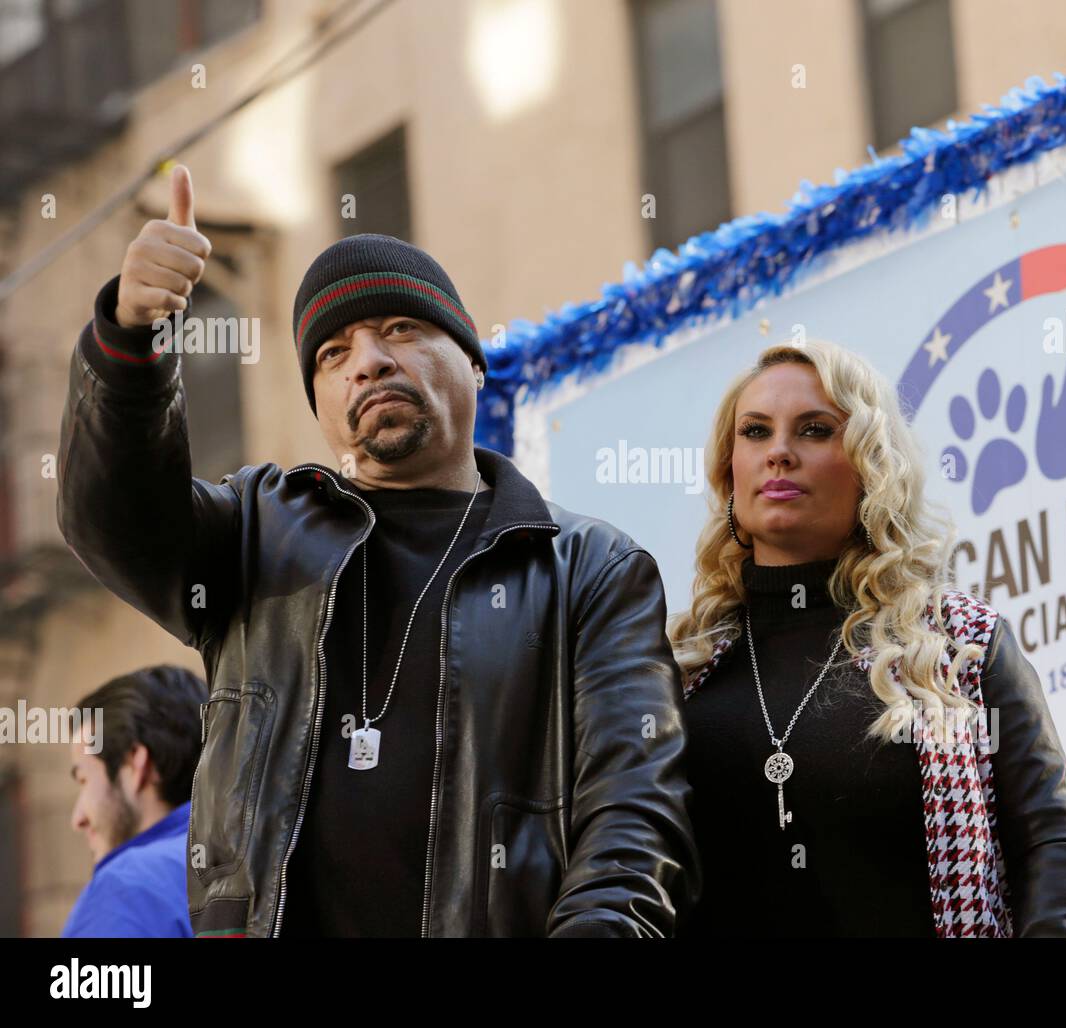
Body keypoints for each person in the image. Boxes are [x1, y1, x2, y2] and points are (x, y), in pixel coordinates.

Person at [56, 164, 699, 938]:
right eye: (333, 353)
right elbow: (113, 521)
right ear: (321, 401)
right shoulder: (257, 531)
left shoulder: (591, 570)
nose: (368, 360)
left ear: (471, 359)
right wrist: (132, 340)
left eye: (400, 330)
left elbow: (634, 825)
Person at [668, 338, 1066, 937]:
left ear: (870, 464)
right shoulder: (672, 676)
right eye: (756, 432)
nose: (780, 453)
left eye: (815, 430)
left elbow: (1053, 841)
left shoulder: (959, 646)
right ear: (728, 469)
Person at [63, 665, 207, 938]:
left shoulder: (128, 889)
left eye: (84, 780)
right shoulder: (258, 860)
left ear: (135, 763)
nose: (77, 819)